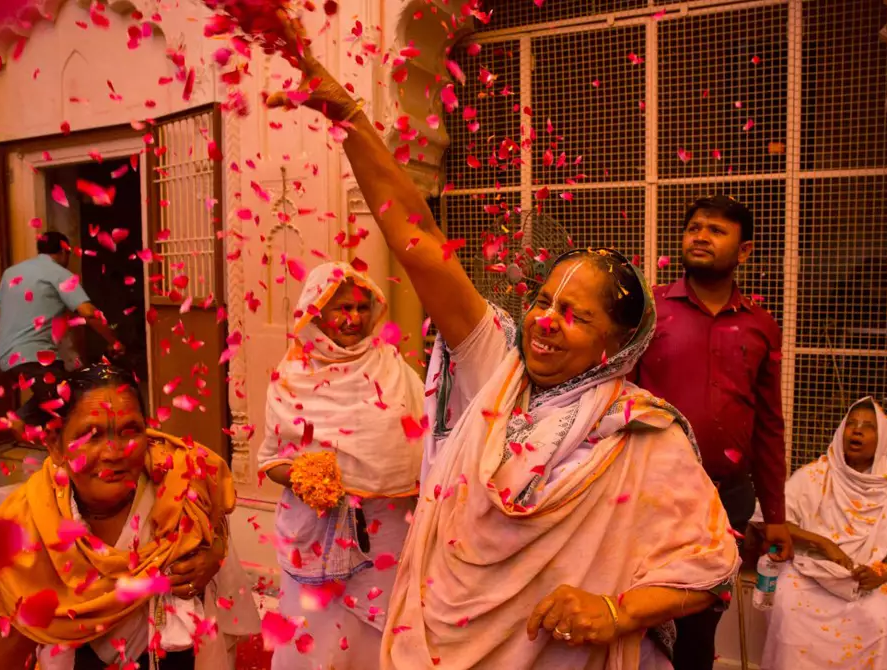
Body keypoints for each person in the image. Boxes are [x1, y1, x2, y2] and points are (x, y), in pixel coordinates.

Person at [262, 14, 739, 669]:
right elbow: (423, 247)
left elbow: (711, 568)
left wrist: (614, 611)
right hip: (443, 643)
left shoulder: (641, 434)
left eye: (574, 316)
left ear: (618, 344)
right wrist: (349, 118)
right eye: (544, 300)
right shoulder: (498, 369)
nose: (544, 320)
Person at [0, 363, 260, 670]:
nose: (114, 452)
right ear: (55, 445)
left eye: (130, 431)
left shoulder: (180, 482)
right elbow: (15, 636)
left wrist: (214, 553)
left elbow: (216, 523)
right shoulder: (31, 518)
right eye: (91, 436)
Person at [630, 194, 794, 668]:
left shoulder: (761, 325)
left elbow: (768, 424)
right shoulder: (650, 308)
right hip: (649, 494)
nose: (700, 235)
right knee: (639, 620)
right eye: (695, 227)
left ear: (744, 251)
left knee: (698, 628)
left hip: (726, 501)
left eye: (717, 230)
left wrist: (776, 512)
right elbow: (616, 396)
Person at [258, 261, 425, 668]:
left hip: (385, 532)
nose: (353, 318)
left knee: (376, 640)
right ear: (315, 312)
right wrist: (305, 478)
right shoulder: (290, 375)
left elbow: (423, 447)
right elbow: (270, 460)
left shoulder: (394, 369)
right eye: (341, 308)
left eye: (361, 307)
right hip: (314, 531)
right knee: (314, 643)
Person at [750, 398, 887, 669]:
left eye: (867, 427)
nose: (857, 431)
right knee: (788, 603)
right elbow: (770, 521)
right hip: (809, 572)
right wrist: (823, 543)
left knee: (881, 615)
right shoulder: (814, 475)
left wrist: (883, 572)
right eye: (851, 424)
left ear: (882, 439)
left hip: (866, 582)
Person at [0, 231, 120, 422]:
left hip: (5, 354)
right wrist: (114, 341)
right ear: (64, 250)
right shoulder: (60, 275)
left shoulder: (12, 272)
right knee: (67, 397)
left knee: (59, 390)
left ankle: (23, 423)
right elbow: (88, 312)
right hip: (33, 354)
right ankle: (18, 421)